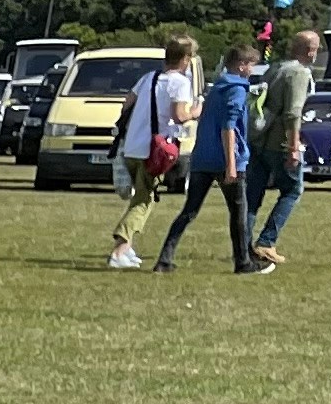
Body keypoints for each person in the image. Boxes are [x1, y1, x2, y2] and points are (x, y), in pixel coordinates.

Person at [160, 41, 263, 274]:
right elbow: (228, 128)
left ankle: (164, 258)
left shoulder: (216, 87)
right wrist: (231, 166)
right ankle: (243, 261)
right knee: (238, 213)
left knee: (189, 211)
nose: (252, 71)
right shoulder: (236, 89)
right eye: (251, 66)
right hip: (226, 159)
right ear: (242, 65)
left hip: (202, 158)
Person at [107, 34, 198, 268]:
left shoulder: (149, 77)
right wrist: (196, 112)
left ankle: (126, 249)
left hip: (133, 145)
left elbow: (127, 103)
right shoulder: (180, 83)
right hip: (155, 150)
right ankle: (120, 248)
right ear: (185, 59)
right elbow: (179, 115)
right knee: (143, 200)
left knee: (142, 197)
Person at [248, 24, 318, 268]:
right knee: (292, 190)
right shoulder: (298, 73)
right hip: (279, 142)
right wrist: (293, 146)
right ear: (310, 51)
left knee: (253, 194)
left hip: (259, 138)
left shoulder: (274, 68)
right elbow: (292, 113)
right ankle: (267, 242)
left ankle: (243, 245)